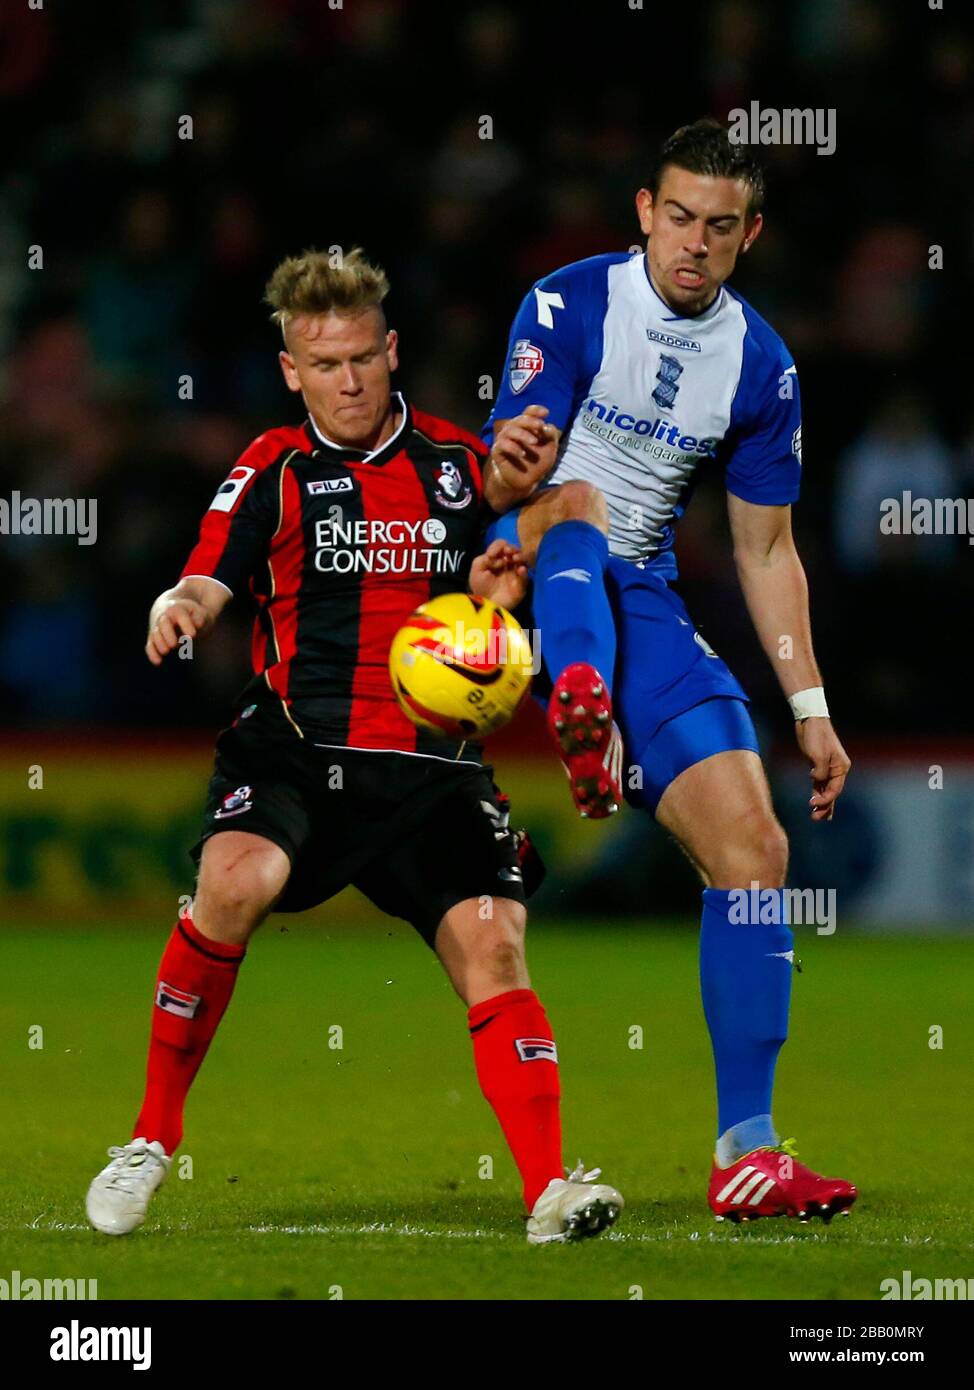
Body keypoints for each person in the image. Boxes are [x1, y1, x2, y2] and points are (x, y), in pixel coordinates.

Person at [85, 248, 622, 1245]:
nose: (346, 380)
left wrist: (518, 563)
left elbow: (532, 557)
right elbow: (206, 577)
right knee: (236, 882)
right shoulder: (271, 469)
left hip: (432, 769)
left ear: (391, 351)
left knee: (496, 951)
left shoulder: (463, 467)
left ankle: (549, 1190)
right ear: (291, 369)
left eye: (362, 358)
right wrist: (178, 606)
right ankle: (150, 1139)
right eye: (322, 363)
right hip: (294, 749)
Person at [482, 121, 857, 1224]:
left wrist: (810, 707)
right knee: (581, 508)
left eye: (719, 227)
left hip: (635, 600)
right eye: (678, 217)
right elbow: (516, 465)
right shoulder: (567, 302)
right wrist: (510, 464)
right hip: (514, 564)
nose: (693, 244)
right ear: (644, 210)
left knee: (755, 847)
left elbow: (764, 549)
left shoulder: (763, 366)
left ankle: (746, 1149)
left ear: (748, 237)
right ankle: (579, 703)